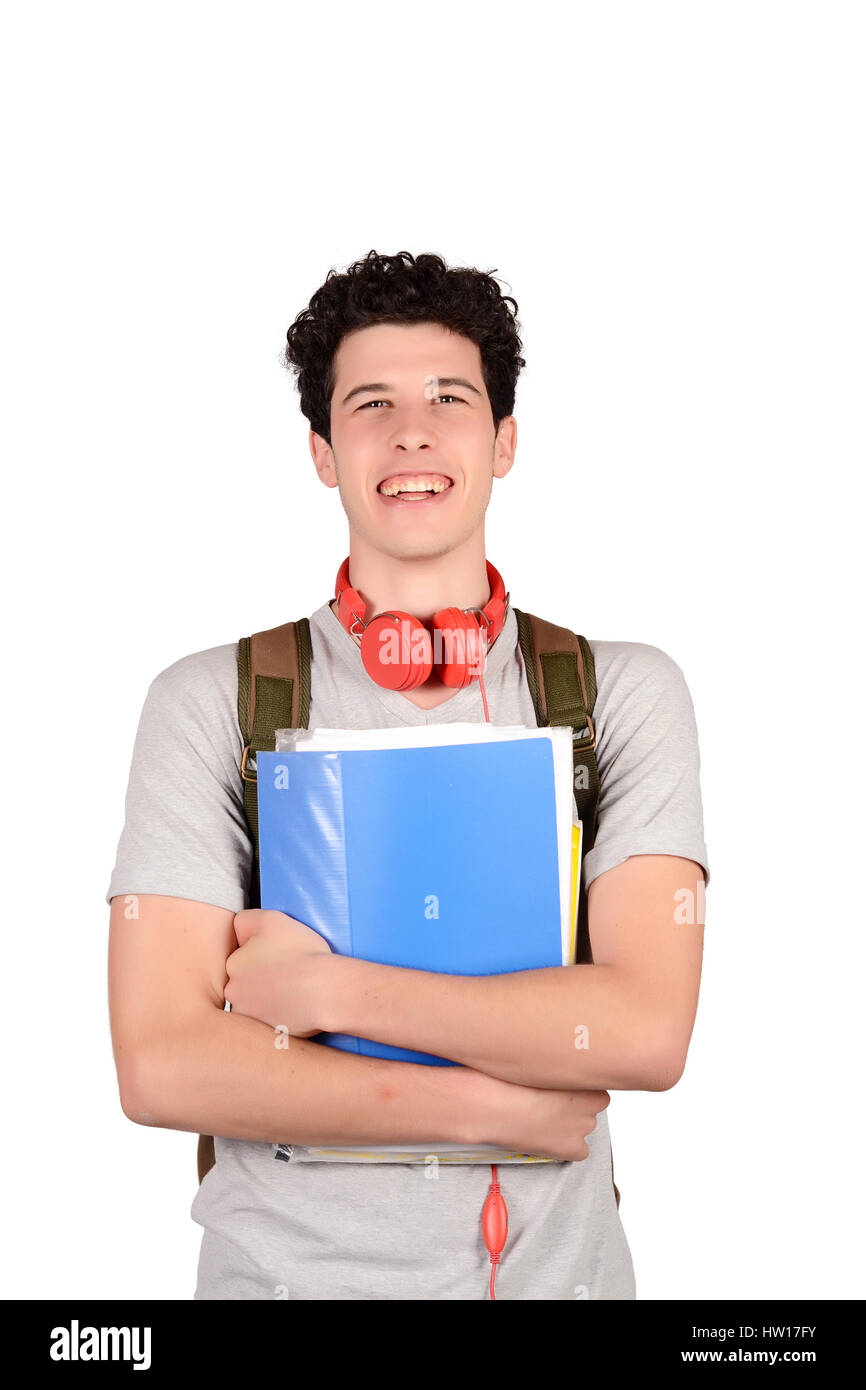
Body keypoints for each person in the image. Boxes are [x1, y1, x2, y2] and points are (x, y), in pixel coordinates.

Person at [106, 249, 709, 1300]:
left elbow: (646, 1033)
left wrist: (327, 991)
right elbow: (161, 1064)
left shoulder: (621, 695)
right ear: (321, 451)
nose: (412, 431)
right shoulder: (208, 701)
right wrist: (493, 1107)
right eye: (369, 402)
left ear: (504, 440)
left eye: (449, 397)